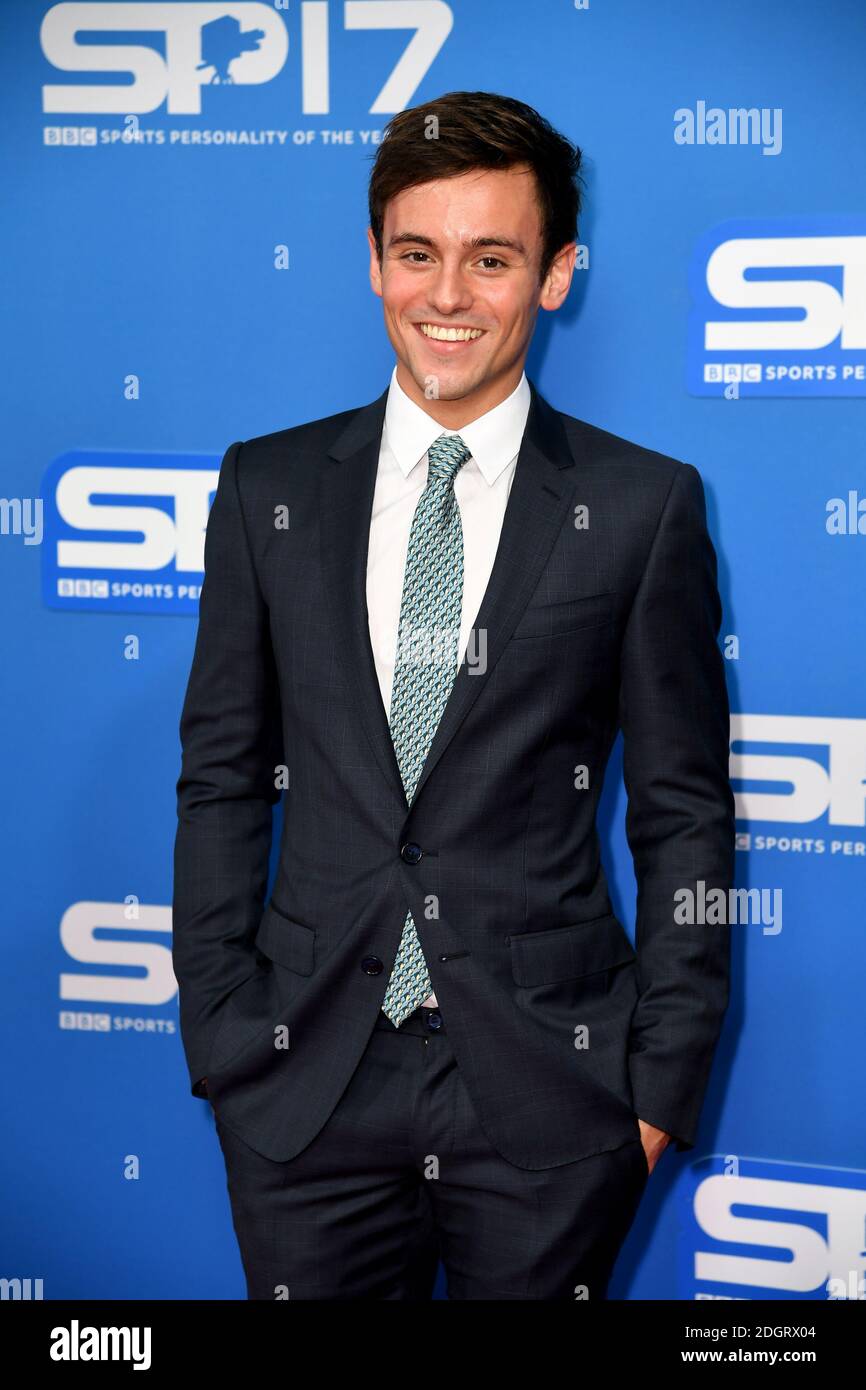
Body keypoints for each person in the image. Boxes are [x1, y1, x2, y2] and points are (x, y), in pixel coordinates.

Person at [172, 90, 735, 1301]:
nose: (445, 295)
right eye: (416, 253)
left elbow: (684, 813)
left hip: (549, 1090)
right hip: (302, 1082)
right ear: (371, 261)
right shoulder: (266, 488)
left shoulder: (640, 509)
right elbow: (222, 775)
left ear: (554, 274)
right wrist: (223, 1034)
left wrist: (657, 1084)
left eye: (491, 259)